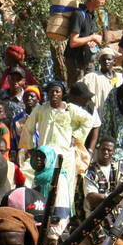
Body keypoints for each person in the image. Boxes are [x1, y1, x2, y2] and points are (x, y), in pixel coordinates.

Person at [18, 80, 95, 211]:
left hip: (65, 157)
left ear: (62, 94)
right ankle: (39, 213)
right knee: (37, 182)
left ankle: (62, 219)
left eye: (57, 91)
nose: (54, 94)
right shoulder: (41, 109)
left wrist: (76, 136)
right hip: (45, 155)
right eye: (51, 91)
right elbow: (28, 129)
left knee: (65, 188)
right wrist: (30, 148)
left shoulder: (70, 109)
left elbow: (89, 120)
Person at [67, 0, 109, 85]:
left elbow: (88, 36)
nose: (104, 1)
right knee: (78, 91)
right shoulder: (78, 14)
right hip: (76, 62)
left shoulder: (91, 15)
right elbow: (73, 42)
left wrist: (92, 41)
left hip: (86, 61)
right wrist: (92, 38)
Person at [82, 47, 119, 115]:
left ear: (114, 61)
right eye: (103, 60)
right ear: (99, 62)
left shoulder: (121, 78)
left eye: (109, 59)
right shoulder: (91, 77)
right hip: (99, 116)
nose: (106, 62)